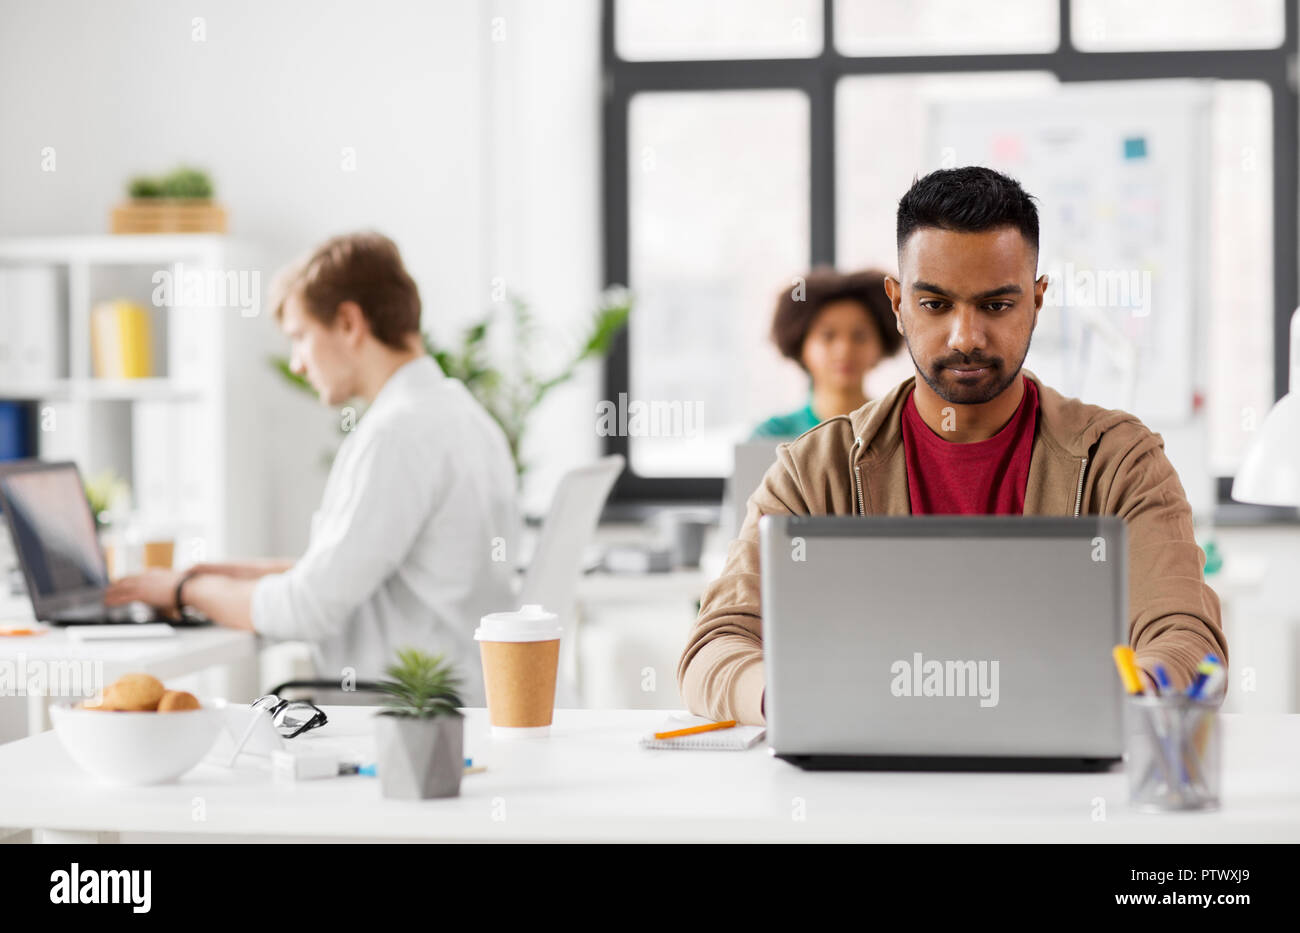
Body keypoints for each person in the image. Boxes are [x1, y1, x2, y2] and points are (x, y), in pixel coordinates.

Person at [679, 166, 1227, 725]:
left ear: (1038, 301)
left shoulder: (1121, 461)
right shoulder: (813, 469)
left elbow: (1183, 632)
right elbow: (715, 646)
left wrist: (1148, 687)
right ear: (897, 302)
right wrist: (790, 698)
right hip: (865, 791)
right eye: (936, 305)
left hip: (1063, 795)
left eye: (996, 305)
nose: (966, 337)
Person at [107, 232, 519, 704]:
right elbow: (364, 570)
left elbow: (307, 610)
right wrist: (228, 576)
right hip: (465, 700)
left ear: (348, 322)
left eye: (300, 337)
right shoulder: (461, 415)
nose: (298, 364)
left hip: (409, 716)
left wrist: (185, 589)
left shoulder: (396, 435)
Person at [751, 267, 901, 439]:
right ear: (801, 347)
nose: (844, 350)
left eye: (859, 336)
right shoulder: (770, 435)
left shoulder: (898, 430)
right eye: (827, 336)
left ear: (881, 345)